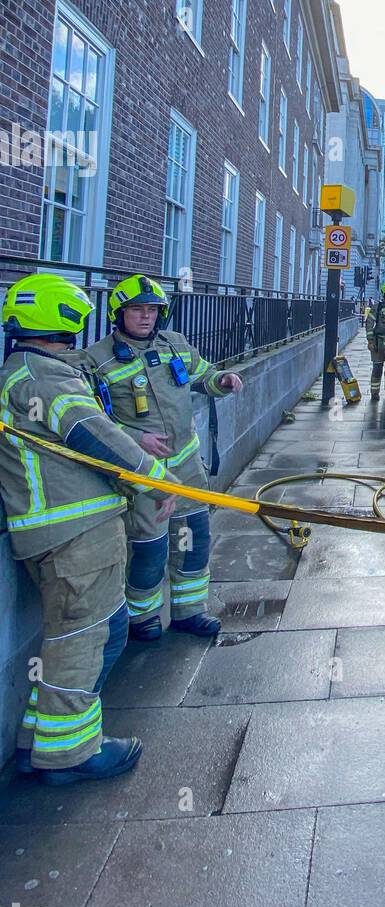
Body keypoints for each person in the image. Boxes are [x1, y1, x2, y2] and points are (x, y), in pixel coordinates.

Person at [0, 273, 179, 785]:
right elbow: (90, 432)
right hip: (74, 531)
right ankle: (72, 755)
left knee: (71, 637)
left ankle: (40, 739)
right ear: (66, 318)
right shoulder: (43, 377)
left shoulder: (25, 370)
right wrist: (156, 482)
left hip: (60, 529)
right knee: (89, 637)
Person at [80, 275, 242, 643]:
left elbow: (204, 376)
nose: (145, 317)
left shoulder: (176, 345)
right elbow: (91, 420)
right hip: (142, 477)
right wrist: (137, 438)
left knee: (193, 542)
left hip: (187, 471)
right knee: (148, 551)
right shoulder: (97, 361)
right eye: (137, 309)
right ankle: (143, 618)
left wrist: (225, 379)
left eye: (152, 310)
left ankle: (189, 612)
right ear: (119, 314)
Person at [363, 283, 385, 401]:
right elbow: (369, 323)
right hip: (378, 343)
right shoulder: (377, 308)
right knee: (377, 368)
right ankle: (374, 392)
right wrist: (370, 341)